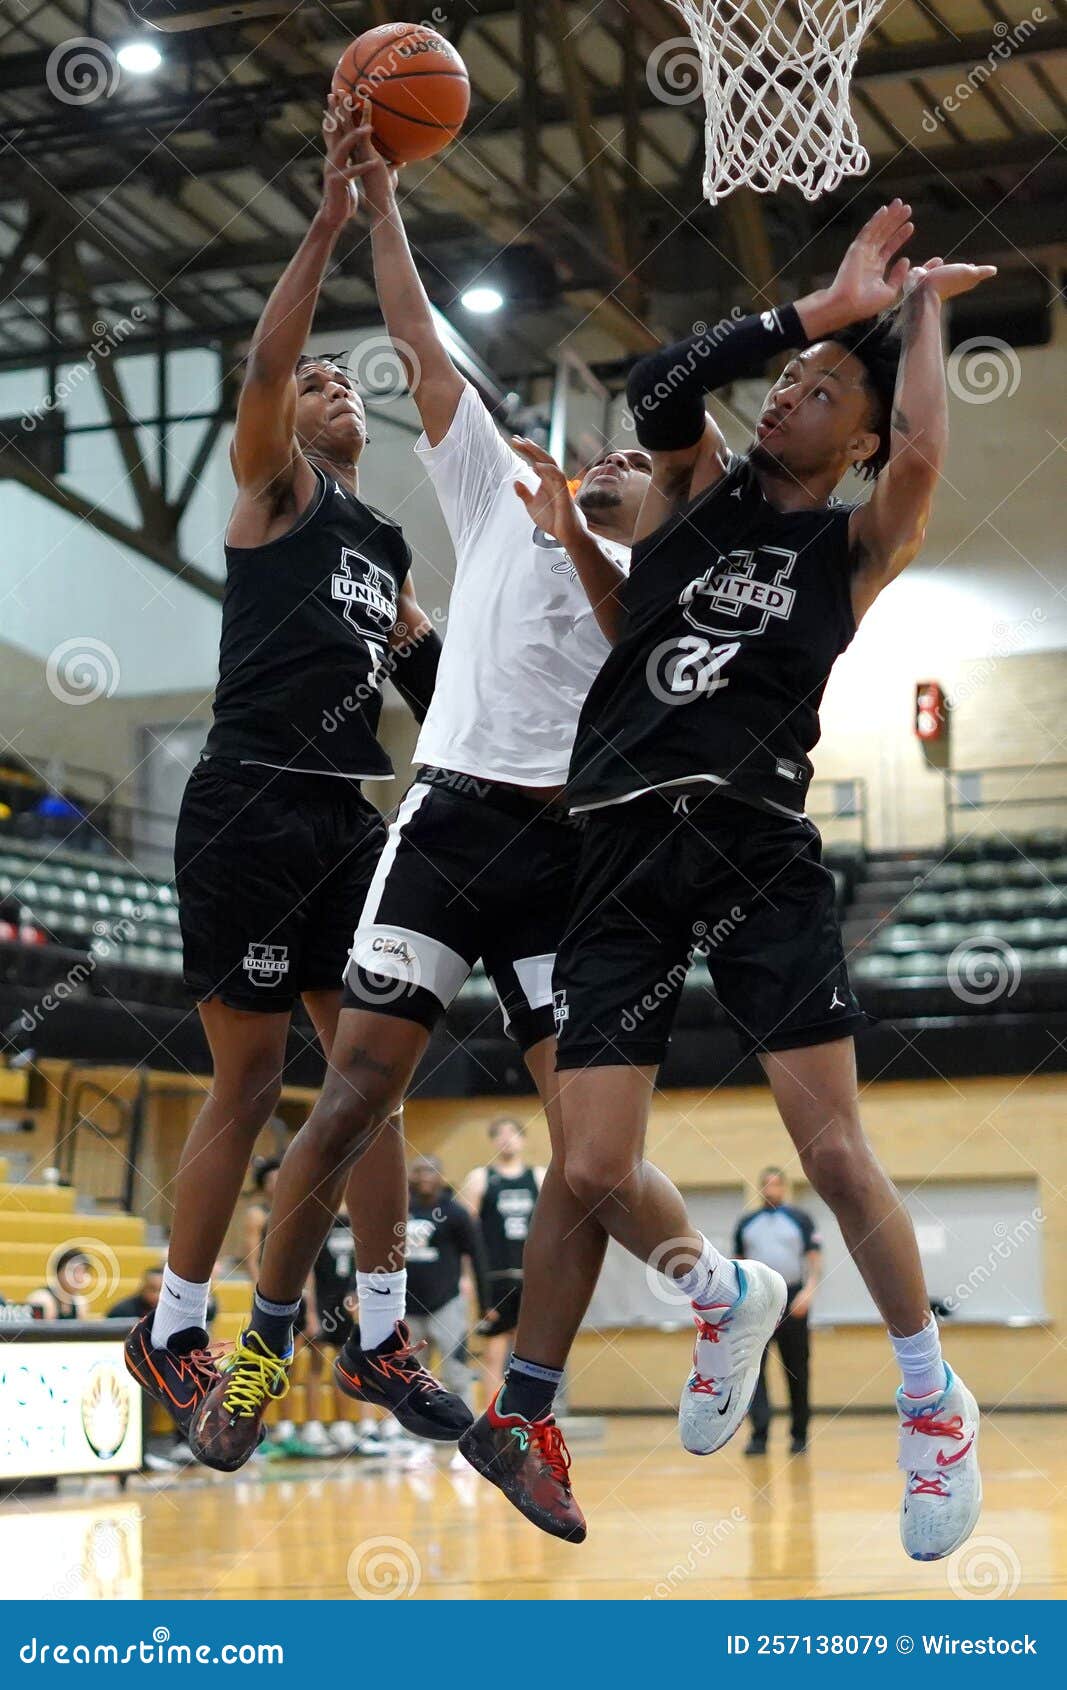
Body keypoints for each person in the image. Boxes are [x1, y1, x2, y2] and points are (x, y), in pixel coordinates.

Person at [459, 203, 992, 1563]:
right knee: (586, 1163)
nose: (790, 395)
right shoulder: (688, 499)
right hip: (618, 852)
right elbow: (658, 385)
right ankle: (657, 1337)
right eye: (789, 380)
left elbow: (927, 447)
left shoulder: (850, 546)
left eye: (819, 394)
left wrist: (916, 308)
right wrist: (813, 312)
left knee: (827, 1144)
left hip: (753, 841)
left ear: (855, 442)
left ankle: (930, 1398)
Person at [190, 101, 651, 1475]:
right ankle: (233, 1335)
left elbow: (454, 659)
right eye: (596, 446)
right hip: (345, 807)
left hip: (477, 832)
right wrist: (356, 211)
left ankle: (452, 1341)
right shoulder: (365, 486)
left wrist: (547, 567)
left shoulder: (586, 572)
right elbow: (339, 351)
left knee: (533, 1140)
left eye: (635, 461)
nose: (604, 457)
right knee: (302, 1089)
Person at [123, 93, 443, 1452]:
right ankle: (176, 1320)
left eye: (351, 383)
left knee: (371, 1075)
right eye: (323, 379)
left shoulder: (382, 542)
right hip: (247, 799)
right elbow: (264, 367)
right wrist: (332, 218)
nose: (335, 387)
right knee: (252, 1079)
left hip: (344, 817)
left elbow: (440, 688)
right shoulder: (274, 491)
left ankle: (375, 1333)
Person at [734, 1169, 821, 1456]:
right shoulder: (747, 1223)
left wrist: (807, 1293)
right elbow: (738, 1264)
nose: (770, 1189)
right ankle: (759, 1434)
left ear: (784, 1188)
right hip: (758, 1302)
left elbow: (814, 1261)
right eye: (766, 1185)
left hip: (792, 1300)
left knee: (797, 1370)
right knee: (753, 1371)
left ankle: (799, 1435)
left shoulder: (800, 1220)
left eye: (776, 1184)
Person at [459, 1117, 544, 1402]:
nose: (507, 1139)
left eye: (513, 1134)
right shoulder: (480, 1178)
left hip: (531, 1276)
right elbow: (465, 1233)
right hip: (494, 1277)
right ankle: (492, 1418)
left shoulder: (539, 1177)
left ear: (523, 1139)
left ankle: (525, 1414)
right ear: (493, 1141)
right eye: (501, 1135)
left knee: (529, 1354)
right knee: (493, 1351)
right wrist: (465, 1276)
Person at [395, 1157, 488, 1411]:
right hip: (408, 1306)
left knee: (456, 1370)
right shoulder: (399, 1209)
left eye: (431, 1170)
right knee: (410, 1374)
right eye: (419, 1170)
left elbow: (477, 1256)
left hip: (447, 1303)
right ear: (409, 1176)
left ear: (441, 1176)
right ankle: (414, 1430)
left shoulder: (455, 1212)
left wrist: (486, 1304)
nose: (425, 1176)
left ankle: (464, 1425)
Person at [29, 1247, 92, 1320]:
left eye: (83, 1272)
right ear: (58, 1272)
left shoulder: (81, 1304)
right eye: (74, 1271)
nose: (79, 1277)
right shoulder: (42, 1299)